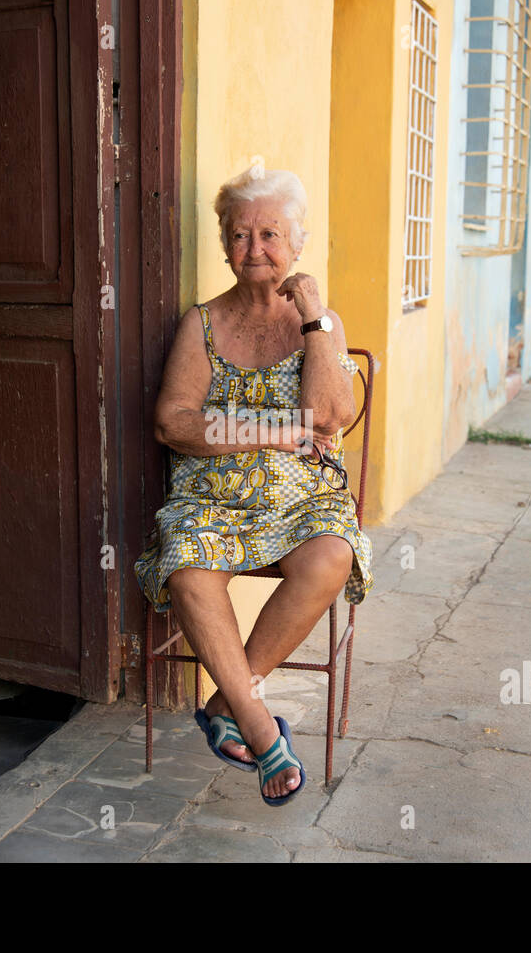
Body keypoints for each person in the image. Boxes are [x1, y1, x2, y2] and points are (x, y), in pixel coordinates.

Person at [134, 167, 373, 806]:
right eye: (240, 235)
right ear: (224, 245)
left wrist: (316, 317)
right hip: (210, 496)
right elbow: (172, 422)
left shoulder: (320, 325)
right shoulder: (202, 324)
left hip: (301, 497)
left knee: (332, 554)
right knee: (186, 568)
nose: (255, 249)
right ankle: (264, 731)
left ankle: (226, 703)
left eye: (270, 234)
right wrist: (273, 429)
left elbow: (330, 416)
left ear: (296, 244)